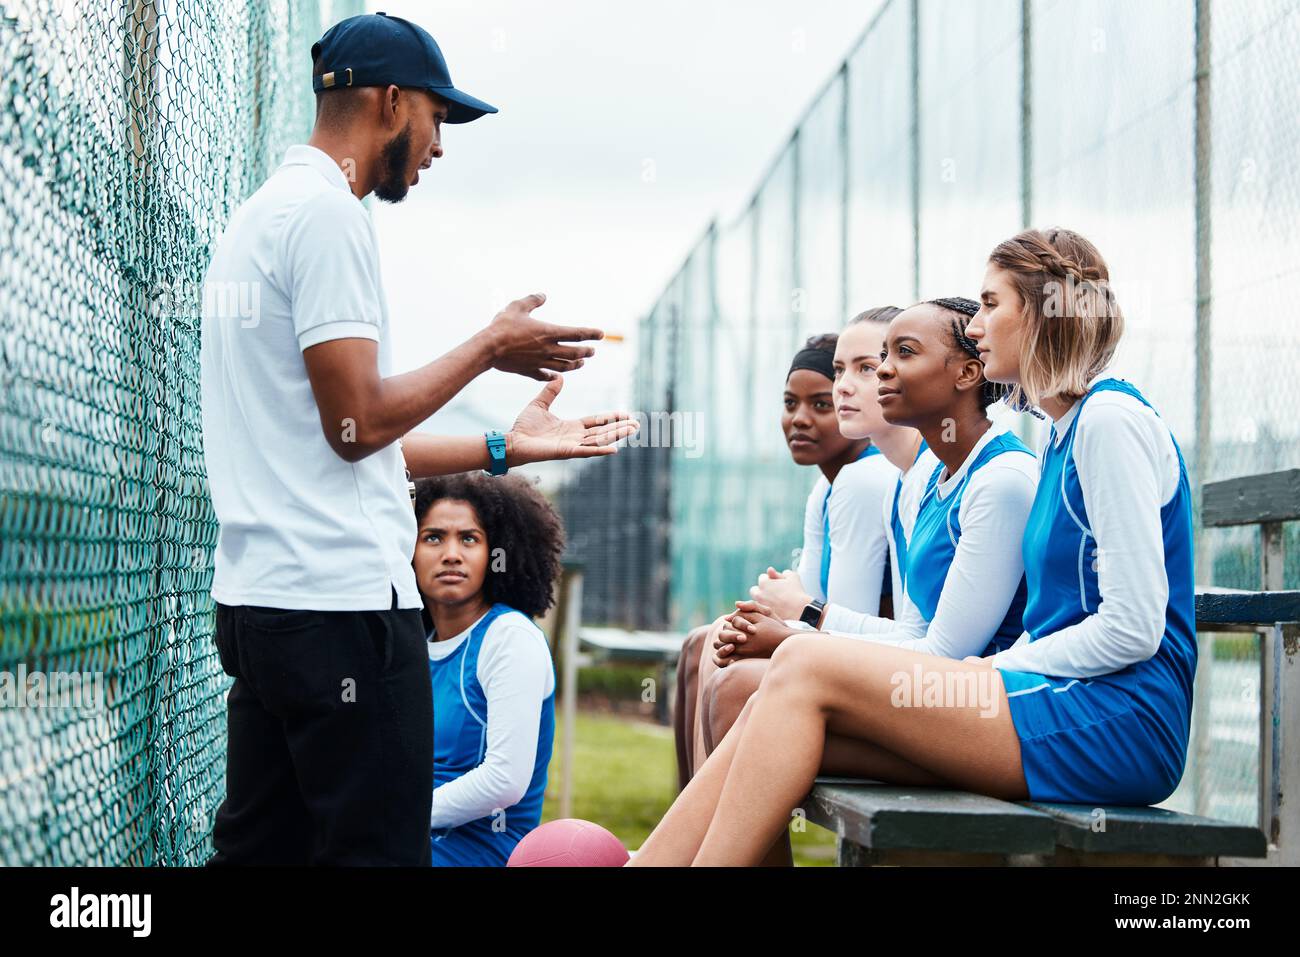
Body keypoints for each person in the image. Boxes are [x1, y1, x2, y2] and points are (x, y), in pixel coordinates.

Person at [202, 12, 635, 865]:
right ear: (392, 102)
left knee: (260, 853)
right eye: (439, 119)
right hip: (340, 611)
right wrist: (487, 347)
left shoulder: (261, 216)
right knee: (377, 855)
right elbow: (357, 422)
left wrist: (506, 450)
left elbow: (345, 444)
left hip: (262, 604)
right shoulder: (328, 218)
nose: (439, 146)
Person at [629, 227, 1196, 866]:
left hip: (1118, 722)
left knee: (803, 666)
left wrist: (986, 672)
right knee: (774, 699)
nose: (977, 323)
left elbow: (1134, 629)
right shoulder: (1066, 432)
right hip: (1055, 701)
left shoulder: (1109, 423)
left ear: (1039, 312)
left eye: (990, 304)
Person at [722, 297, 1038, 664]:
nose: (885, 371)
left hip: (978, 696)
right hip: (937, 682)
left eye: (901, 354)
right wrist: (797, 626)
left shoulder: (1001, 479)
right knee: (745, 658)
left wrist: (800, 627)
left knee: (775, 673)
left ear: (966, 374)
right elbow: (911, 632)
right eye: (883, 358)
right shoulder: (928, 479)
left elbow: (943, 654)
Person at [413, 474, 562, 867]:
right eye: (433, 537)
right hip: (409, 839)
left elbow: (504, 781)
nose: (451, 554)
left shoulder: (508, 637)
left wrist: (395, 818)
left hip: (483, 850)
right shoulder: (412, 642)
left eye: (469, 539)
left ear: (496, 552)